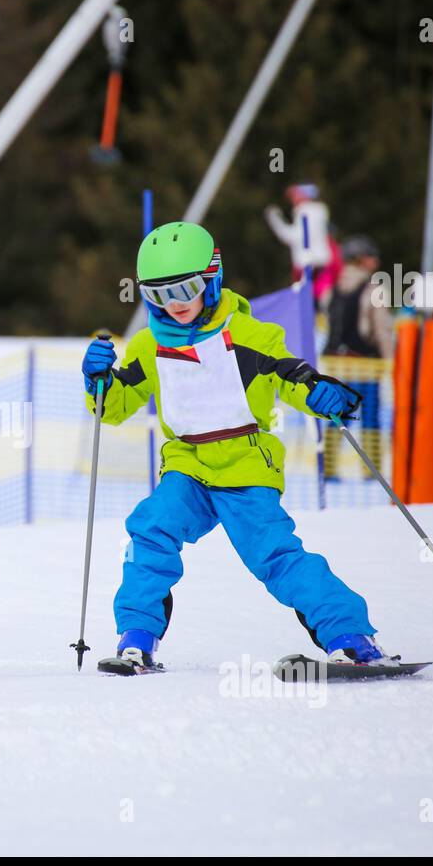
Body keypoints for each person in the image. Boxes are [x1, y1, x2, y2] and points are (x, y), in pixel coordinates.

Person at [81, 221, 395, 674]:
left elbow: (292, 377)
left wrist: (323, 393)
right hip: (187, 466)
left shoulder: (250, 335)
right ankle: (137, 638)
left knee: (274, 555)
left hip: (246, 465)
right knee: (151, 530)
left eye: (186, 288)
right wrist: (98, 381)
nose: (176, 304)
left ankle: (350, 637)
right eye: (159, 295)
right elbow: (111, 408)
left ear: (212, 278)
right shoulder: (150, 345)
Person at [322, 235, 393, 478]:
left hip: (336, 363)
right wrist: (389, 359)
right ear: (361, 259)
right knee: (370, 414)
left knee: (338, 414)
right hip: (364, 363)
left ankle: (328, 466)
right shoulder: (374, 290)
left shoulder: (333, 289)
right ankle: (371, 470)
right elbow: (382, 329)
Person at [264, 182, 342, 308]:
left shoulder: (304, 212)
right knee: (323, 305)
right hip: (320, 266)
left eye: (295, 195)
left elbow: (292, 237)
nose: (292, 199)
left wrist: (274, 220)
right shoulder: (317, 212)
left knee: (313, 308)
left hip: (309, 268)